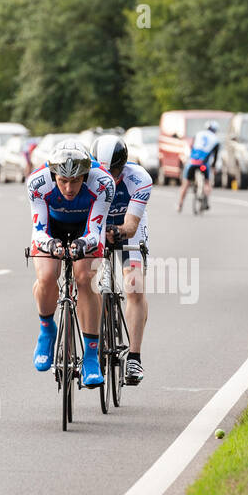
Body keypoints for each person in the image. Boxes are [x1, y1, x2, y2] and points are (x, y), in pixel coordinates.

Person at [28, 140, 115, 388]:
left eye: (75, 181)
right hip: (51, 227)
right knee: (46, 275)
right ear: (53, 175)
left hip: (86, 227)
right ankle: (47, 330)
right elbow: (39, 229)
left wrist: (81, 245)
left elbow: (96, 229)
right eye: (63, 181)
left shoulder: (102, 182)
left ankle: (90, 356)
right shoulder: (38, 182)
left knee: (85, 277)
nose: (68, 188)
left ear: (86, 176)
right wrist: (52, 246)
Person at [93, 135, 151, 385]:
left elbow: (131, 223)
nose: (109, 176)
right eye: (104, 170)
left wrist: (118, 232)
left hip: (128, 226)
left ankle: (135, 357)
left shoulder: (139, 179)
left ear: (123, 165)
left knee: (134, 285)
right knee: (84, 279)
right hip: (96, 226)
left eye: (114, 170)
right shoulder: (86, 178)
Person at [178, 121, 219, 213]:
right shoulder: (215, 139)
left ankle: (180, 204)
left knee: (186, 183)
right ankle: (206, 200)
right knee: (207, 182)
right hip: (203, 164)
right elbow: (215, 156)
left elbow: (192, 147)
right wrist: (213, 167)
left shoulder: (198, 134)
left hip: (192, 162)